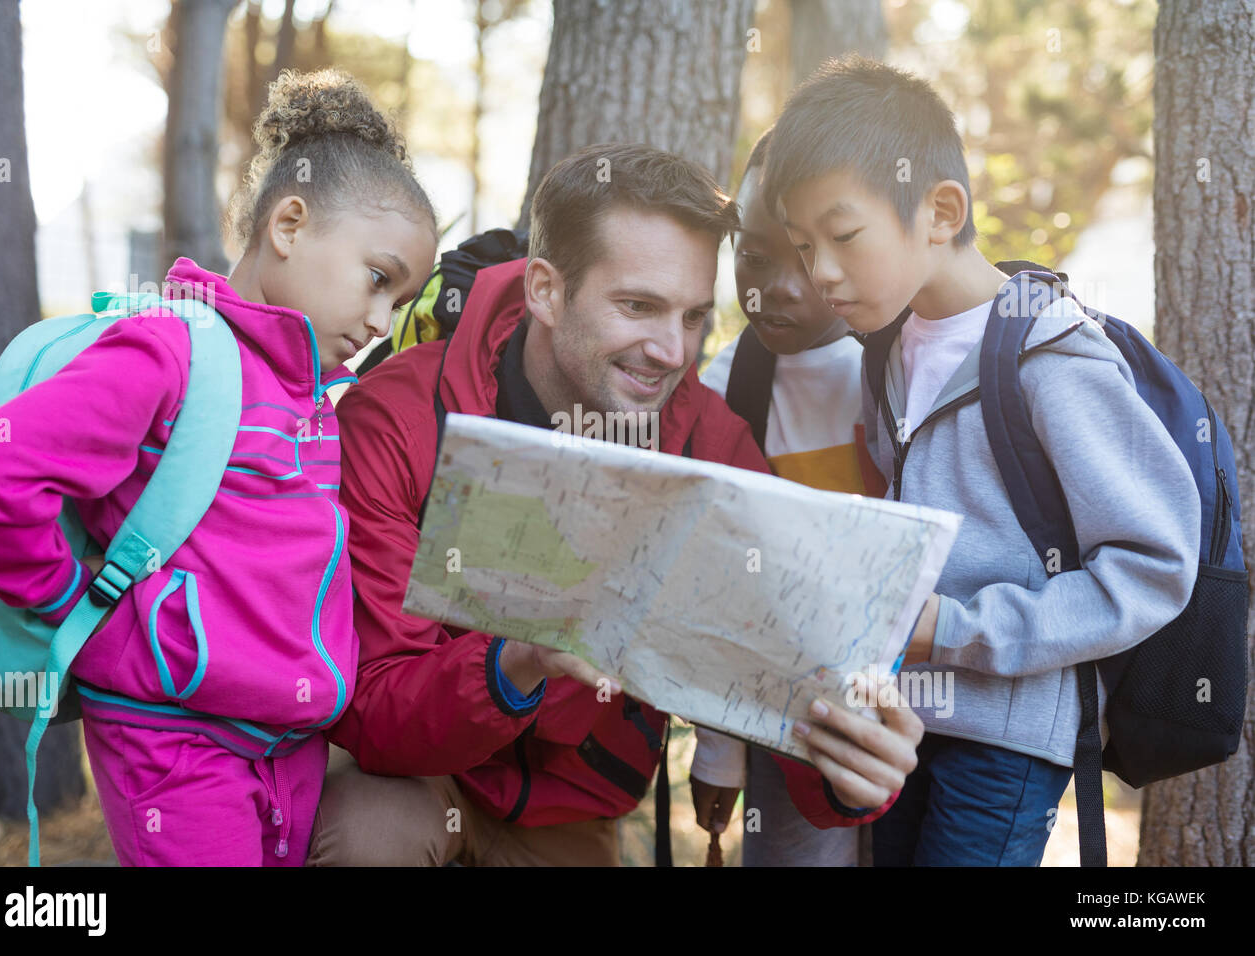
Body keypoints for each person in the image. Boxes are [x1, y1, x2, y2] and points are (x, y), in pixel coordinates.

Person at [307, 143, 924, 867]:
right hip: (414, 779)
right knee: (366, 838)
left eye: (694, 317)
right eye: (638, 306)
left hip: (572, 811)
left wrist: (852, 771)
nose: (670, 351)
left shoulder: (706, 441)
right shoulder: (399, 419)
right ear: (546, 289)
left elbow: (784, 673)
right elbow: (371, 706)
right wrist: (518, 660)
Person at [0, 68, 437, 865]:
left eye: (402, 299)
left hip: (292, 752)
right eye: (378, 279)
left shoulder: (314, 395)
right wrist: (83, 612)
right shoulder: (168, 351)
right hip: (177, 749)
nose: (382, 322)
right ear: (289, 223)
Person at [760, 54, 1200, 866]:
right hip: (899, 721)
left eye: (843, 235)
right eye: (801, 244)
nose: (820, 272)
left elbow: (1153, 564)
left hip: (1004, 739)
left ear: (941, 209)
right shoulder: (885, 352)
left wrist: (955, 630)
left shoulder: (1052, 354)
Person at [693, 127, 887, 866]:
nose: (771, 285)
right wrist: (719, 753)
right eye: (752, 255)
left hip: (924, 720)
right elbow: (718, 585)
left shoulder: (899, 372)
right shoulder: (730, 384)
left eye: (801, 258)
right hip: (794, 730)